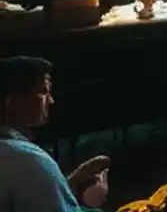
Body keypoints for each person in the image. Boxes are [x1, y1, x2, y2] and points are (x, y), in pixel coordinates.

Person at [0, 56, 111, 211]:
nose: (51, 100)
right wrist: (88, 203)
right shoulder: (27, 160)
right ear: (11, 101)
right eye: (43, 91)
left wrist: (67, 185)